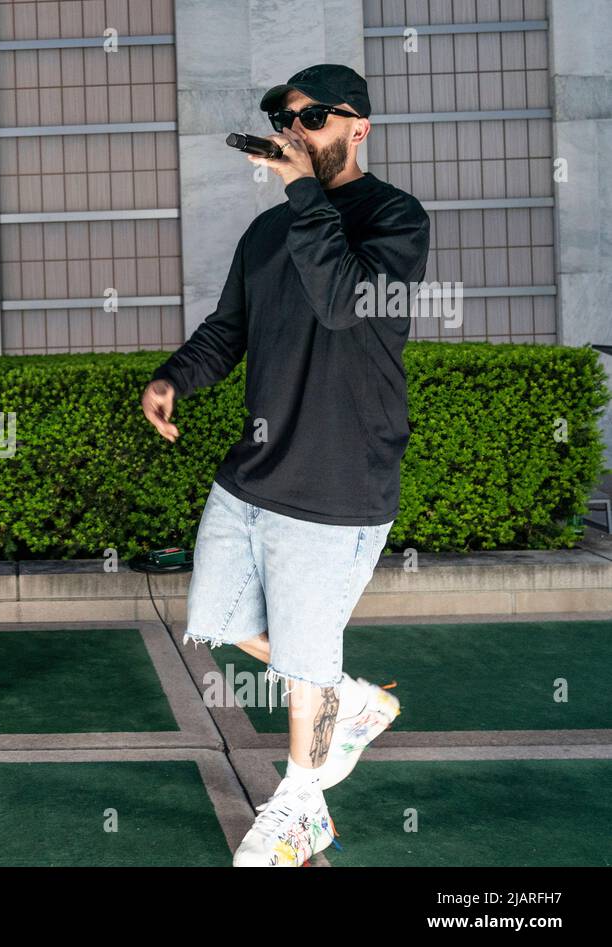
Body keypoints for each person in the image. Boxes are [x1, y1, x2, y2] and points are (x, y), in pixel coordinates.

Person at [140, 65, 431, 866]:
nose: (294, 128)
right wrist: (175, 377)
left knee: (303, 664)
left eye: (313, 117)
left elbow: (344, 302)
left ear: (358, 126)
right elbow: (229, 327)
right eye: (282, 117)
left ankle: (302, 810)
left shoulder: (396, 220)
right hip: (254, 472)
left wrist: (305, 195)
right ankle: (355, 697)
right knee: (220, 622)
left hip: (337, 479)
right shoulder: (268, 232)